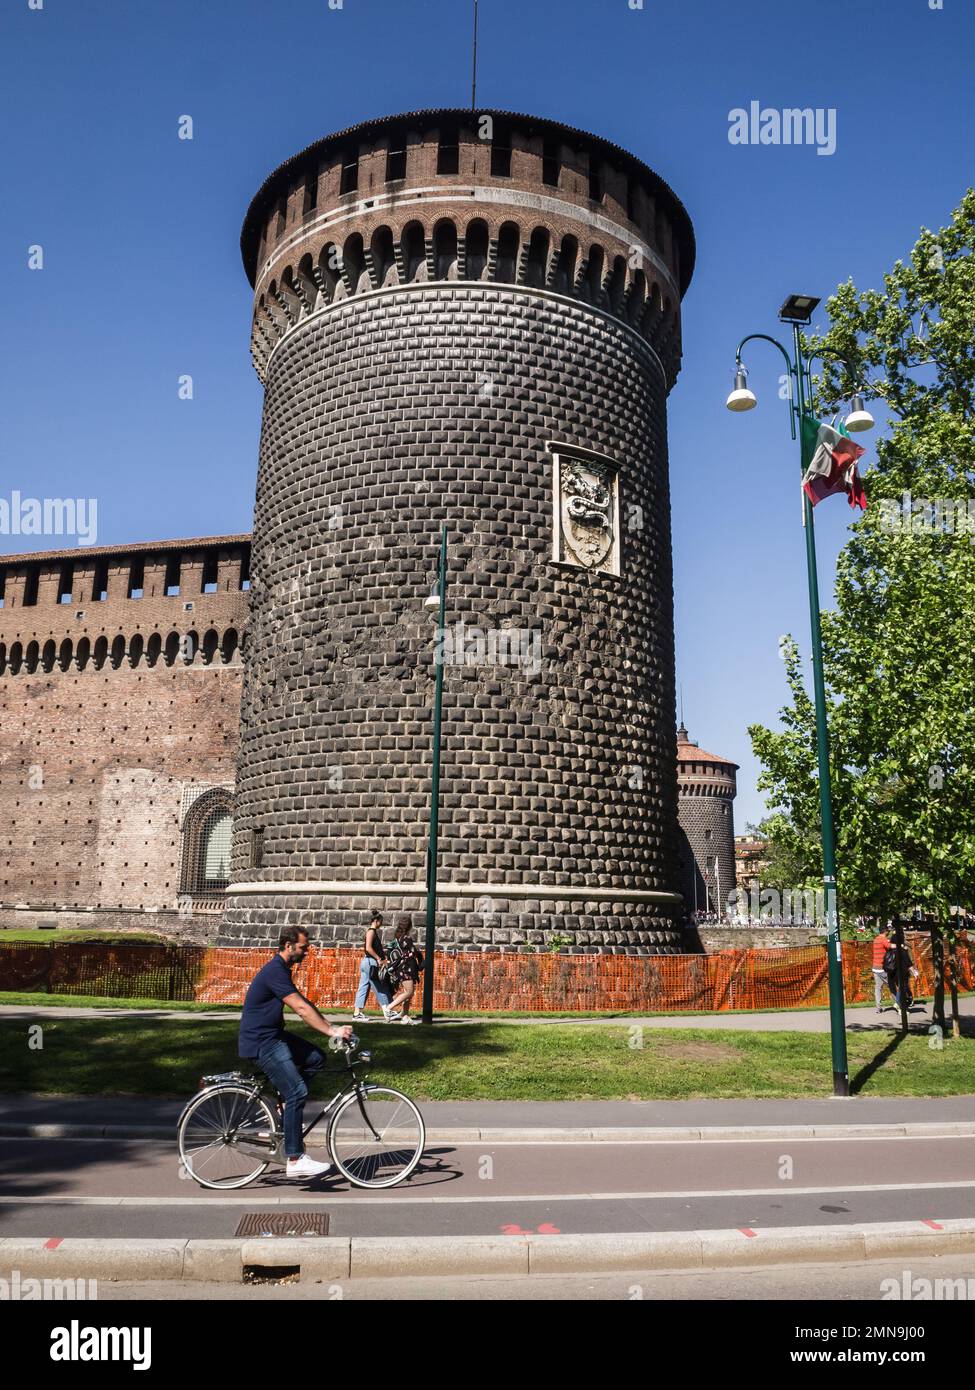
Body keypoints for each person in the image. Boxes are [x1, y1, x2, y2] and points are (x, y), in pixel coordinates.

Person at [238, 925, 352, 1178]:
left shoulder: (281, 970)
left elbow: (304, 1003)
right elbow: (300, 1008)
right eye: (303, 947)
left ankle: (282, 1114)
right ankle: (294, 1157)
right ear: (288, 946)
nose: (307, 951)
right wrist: (332, 1032)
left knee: (315, 1058)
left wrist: (331, 1026)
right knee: (297, 1091)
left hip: (272, 1035)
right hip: (261, 1041)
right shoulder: (275, 972)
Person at [353, 911, 398, 1022]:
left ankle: (357, 1013)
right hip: (371, 963)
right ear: (376, 921)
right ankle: (388, 1011)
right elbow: (368, 948)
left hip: (367, 962)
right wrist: (379, 959)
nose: (381, 924)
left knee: (363, 987)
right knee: (380, 987)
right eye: (381, 922)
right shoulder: (371, 932)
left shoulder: (372, 932)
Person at [386, 920, 424, 1025]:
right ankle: (388, 1008)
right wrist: (418, 953)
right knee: (409, 992)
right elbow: (411, 953)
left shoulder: (398, 938)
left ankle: (405, 1016)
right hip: (406, 968)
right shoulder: (406, 938)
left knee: (408, 995)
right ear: (409, 927)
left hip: (404, 968)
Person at [871, 924, 892, 1011]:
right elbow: (889, 946)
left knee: (878, 988)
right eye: (888, 931)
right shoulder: (883, 939)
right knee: (892, 986)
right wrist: (900, 945)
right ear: (886, 931)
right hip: (882, 968)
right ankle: (900, 1004)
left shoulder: (876, 939)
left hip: (875, 967)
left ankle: (878, 1007)